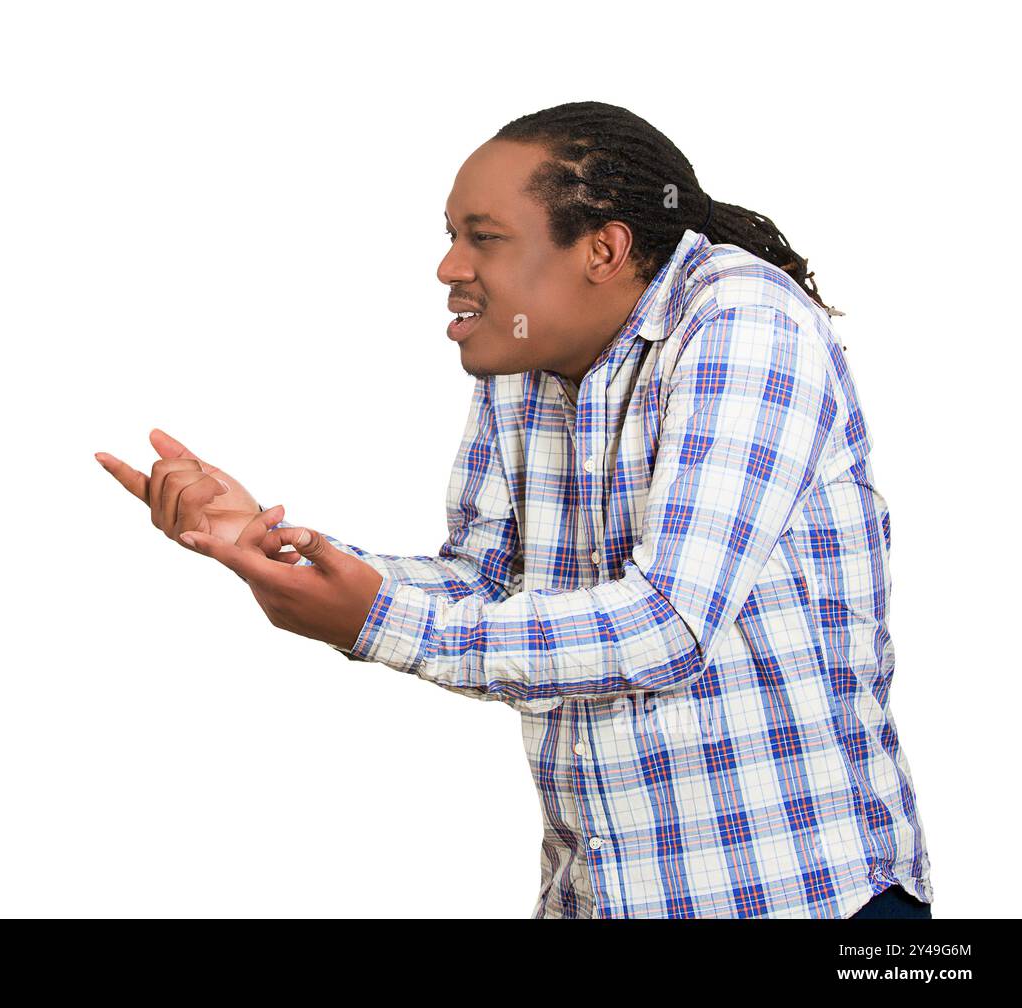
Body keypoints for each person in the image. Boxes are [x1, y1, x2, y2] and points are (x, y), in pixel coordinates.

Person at [95, 101, 933, 919]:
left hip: (807, 899)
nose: (450, 267)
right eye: (450, 235)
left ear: (604, 249)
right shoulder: (526, 353)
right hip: (600, 893)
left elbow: (667, 625)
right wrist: (277, 548)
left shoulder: (743, 321)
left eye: (483, 238)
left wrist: (376, 621)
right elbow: (483, 581)